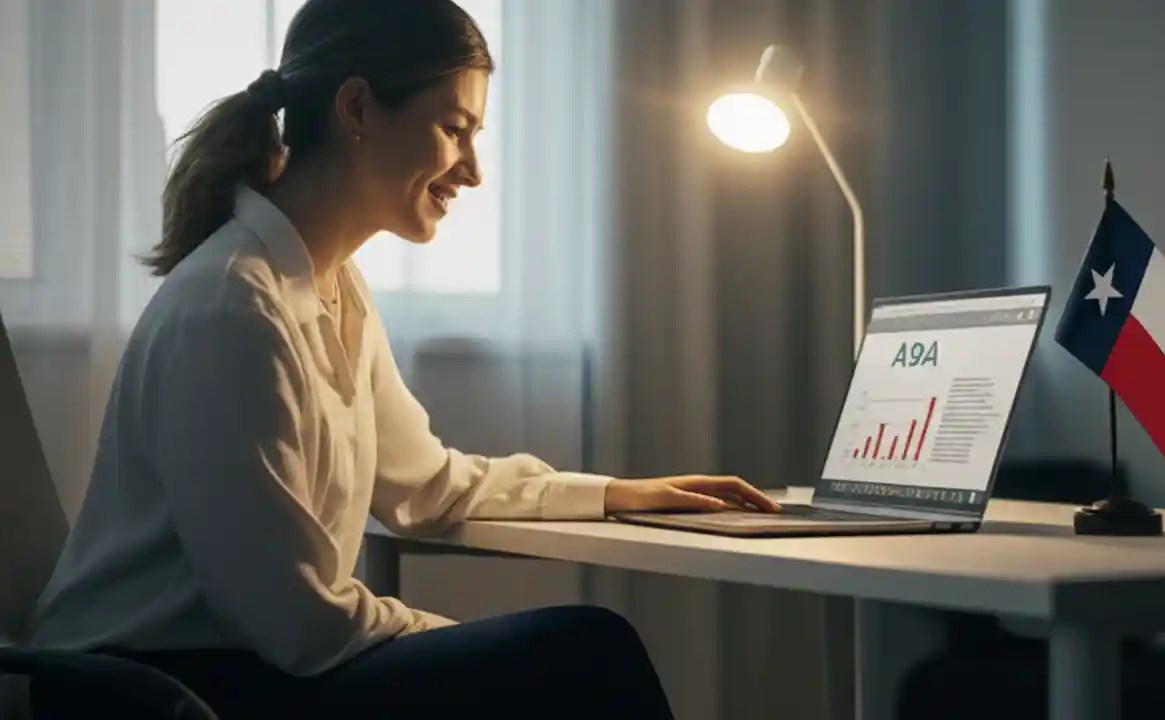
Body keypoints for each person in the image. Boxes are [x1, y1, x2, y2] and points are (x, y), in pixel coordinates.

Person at [26, 0, 780, 717]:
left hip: (242, 666)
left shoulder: (332, 289)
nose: (473, 169)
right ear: (356, 109)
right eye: (455, 129)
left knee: (566, 658)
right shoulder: (234, 307)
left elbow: (426, 483)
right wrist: (462, 642)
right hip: (149, 689)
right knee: (583, 654)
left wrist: (619, 493)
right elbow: (296, 622)